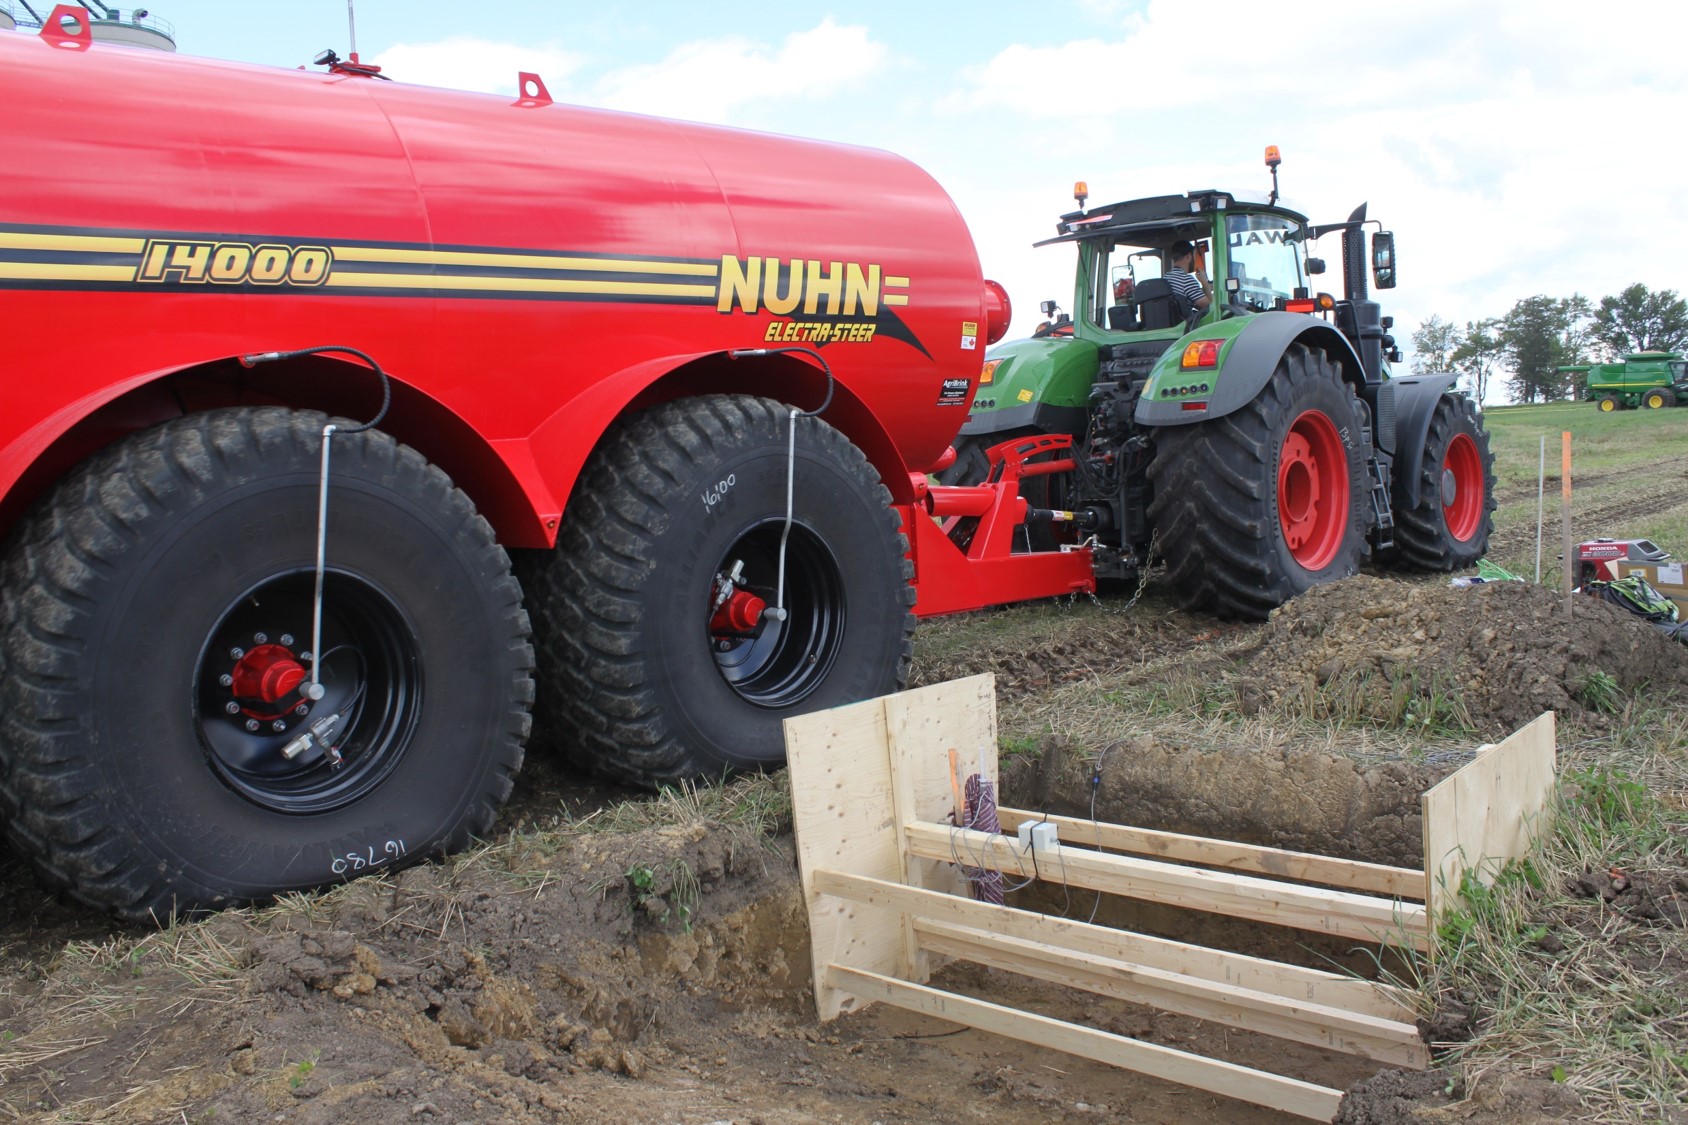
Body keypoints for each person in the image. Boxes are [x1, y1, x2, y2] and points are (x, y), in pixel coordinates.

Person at [1163, 241, 1211, 316]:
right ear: (1188, 257)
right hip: (1187, 326)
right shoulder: (1186, 279)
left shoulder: (1165, 278)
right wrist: (1205, 282)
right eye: (1194, 257)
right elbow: (1211, 308)